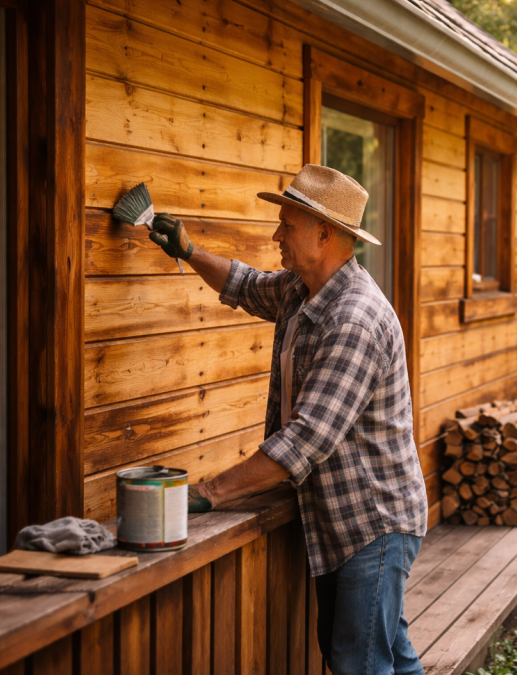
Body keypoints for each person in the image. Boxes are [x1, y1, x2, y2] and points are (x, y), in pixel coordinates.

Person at [146, 164, 428, 675]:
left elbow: (305, 441)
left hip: (373, 520)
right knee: (384, 655)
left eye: (288, 225)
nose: (276, 234)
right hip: (345, 516)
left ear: (324, 233)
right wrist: (188, 251)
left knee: (357, 663)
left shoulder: (354, 317)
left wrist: (209, 492)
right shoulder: (303, 291)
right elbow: (246, 284)